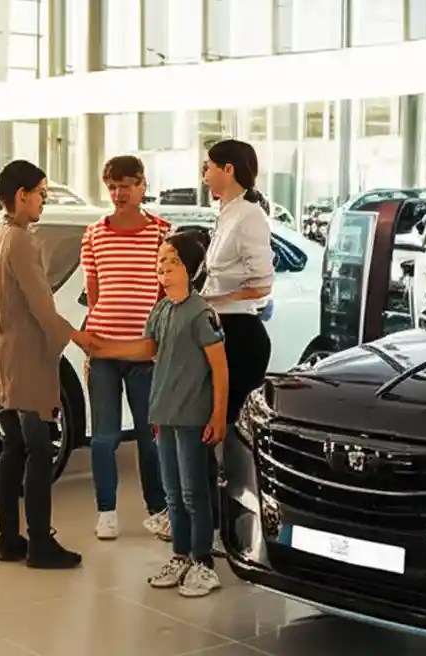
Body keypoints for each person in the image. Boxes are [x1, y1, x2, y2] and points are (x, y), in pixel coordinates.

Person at [90, 232, 229, 596]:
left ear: (193, 269)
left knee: (193, 491)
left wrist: (218, 415)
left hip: (192, 417)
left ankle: (203, 563)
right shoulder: (162, 309)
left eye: (172, 264)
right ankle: (180, 555)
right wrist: (100, 347)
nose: (163, 271)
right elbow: (147, 349)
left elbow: (220, 368)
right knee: (171, 492)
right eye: (160, 264)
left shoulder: (202, 313)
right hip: (164, 414)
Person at [0, 159, 95, 570]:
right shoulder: (23, 241)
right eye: (42, 195)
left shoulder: (0, 236)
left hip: (3, 354)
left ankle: (8, 537)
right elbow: (42, 309)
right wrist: (79, 338)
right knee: (38, 449)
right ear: (22, 196)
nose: (43, 203)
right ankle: (40, 542)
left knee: (13, 447)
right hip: (28, 358)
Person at [79, 155, 170, 542]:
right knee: (104, 436)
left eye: (127, 185)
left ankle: (158, 508)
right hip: (103, 350)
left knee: (151, 437)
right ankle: (106, 511)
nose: (119, 193)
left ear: (142, 185)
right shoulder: (94, 234)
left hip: (144, 352)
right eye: (113, 187)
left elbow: (167, 294)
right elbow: (96, 295)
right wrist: (90, 345)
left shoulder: (163, 233)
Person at [200, 139, 274, 554]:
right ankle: (213, 525)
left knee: (229, 435)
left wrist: (211, 301)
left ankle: (235, 528)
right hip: (218, 330)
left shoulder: (249, 216)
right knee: (215, 432)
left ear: (228, 169)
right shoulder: (226, 214)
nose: (205, 174)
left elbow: (262, 284)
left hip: (240, 334)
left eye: (209, 166)